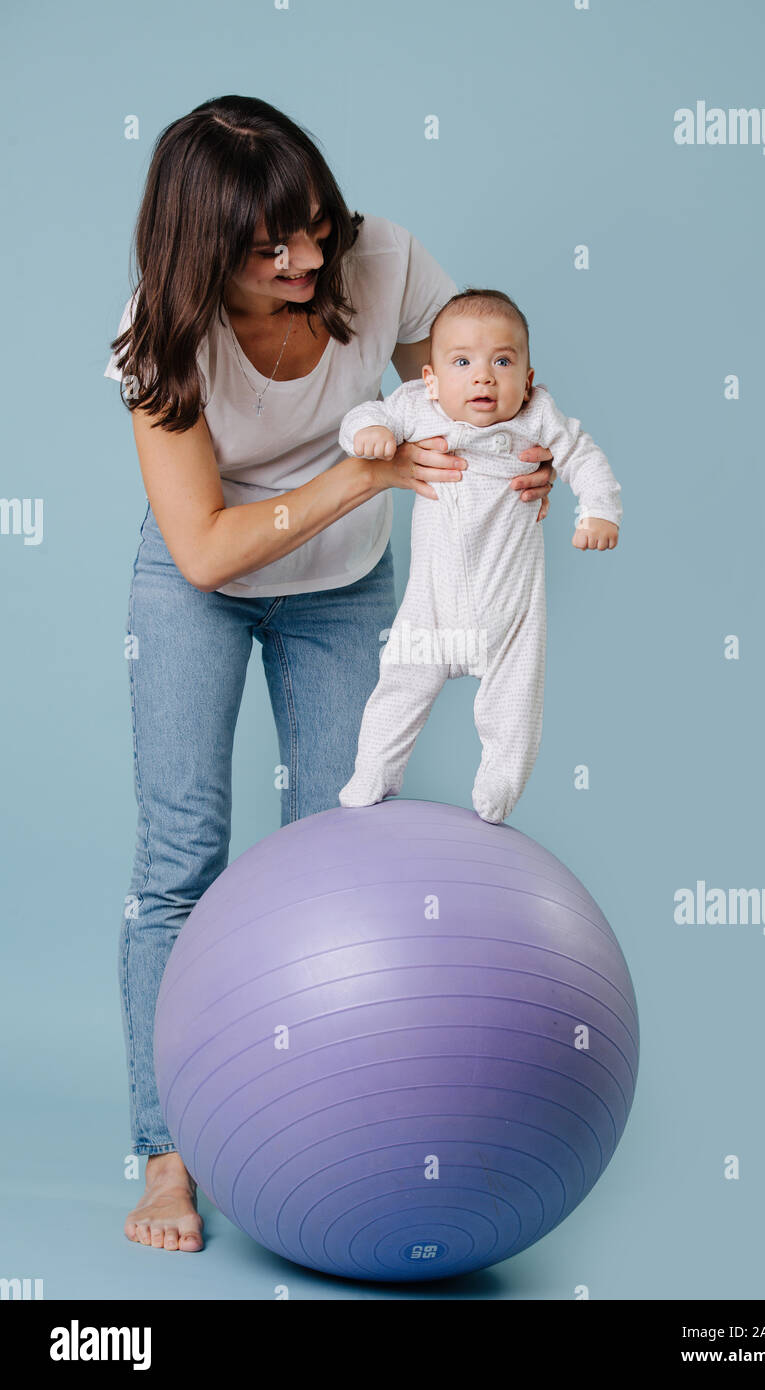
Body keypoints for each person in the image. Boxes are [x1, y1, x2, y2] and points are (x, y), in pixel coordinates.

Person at [103, 95, 556, 1252]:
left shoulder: (384, 258)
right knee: (180, 860)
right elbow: (203, 544)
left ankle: (327, 1126)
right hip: (197, 584)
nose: (307, 260)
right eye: (268, 249)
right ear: (203, 251)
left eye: (313, 225)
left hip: (343, 584)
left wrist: (516, 452)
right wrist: (362, 479)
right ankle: (171, 1155)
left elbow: (464, 386)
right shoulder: (156, 336)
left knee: (341, 847)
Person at [338, 288, 621, 823]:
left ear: (529, 379)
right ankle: (375, 767)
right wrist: (369, 434)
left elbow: (582, 454)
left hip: (508, 608)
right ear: (431, 380)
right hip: (433, 606)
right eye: (462, 362)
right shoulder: (417, 410)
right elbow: (365, 414)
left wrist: (599, 510)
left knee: (516, 703)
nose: (484, 377)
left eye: (503, 361)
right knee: (398, 685)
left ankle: (499, 783)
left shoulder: (538, 418)